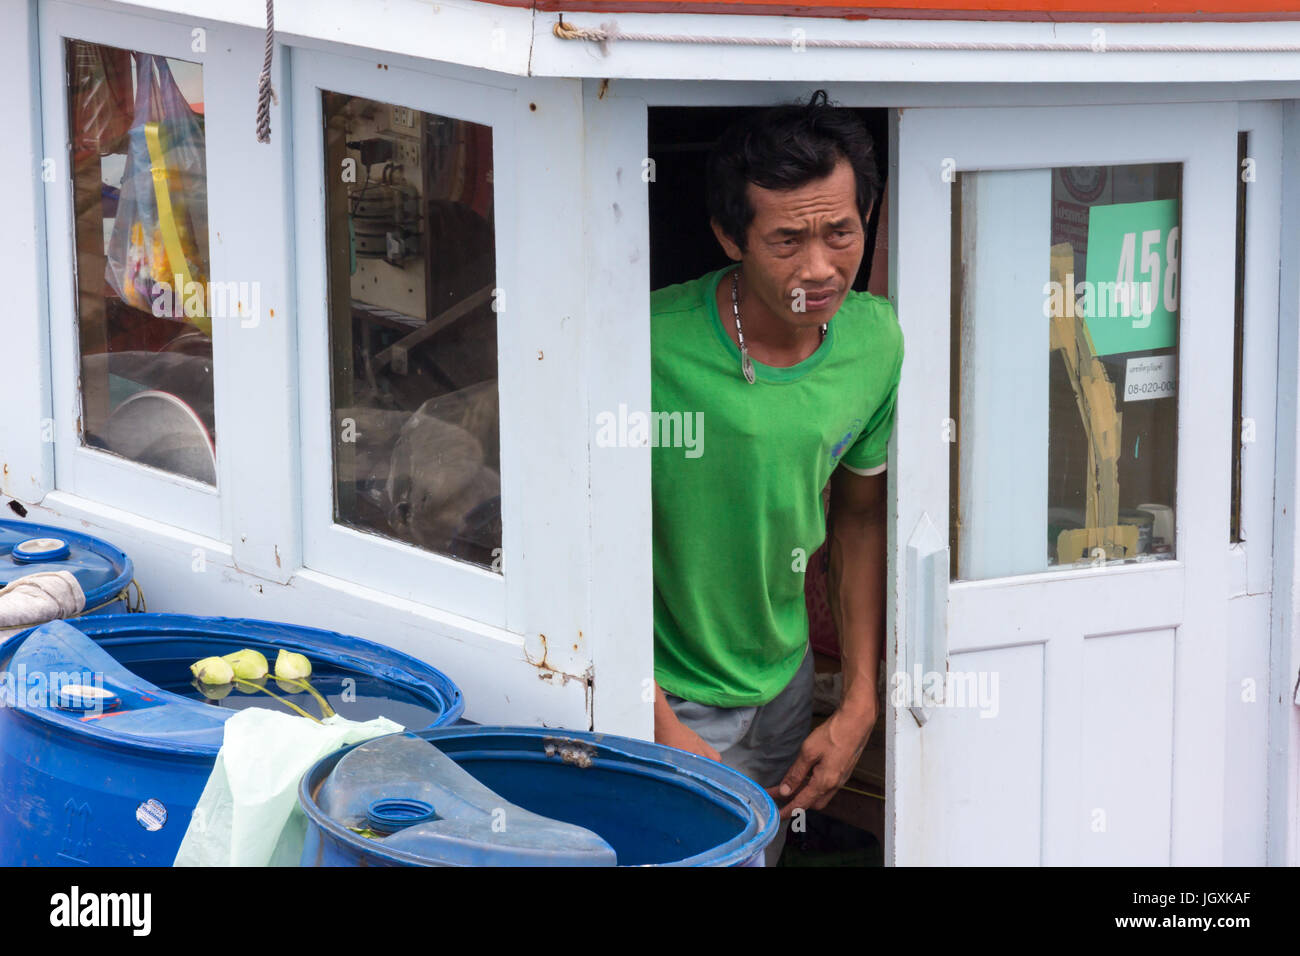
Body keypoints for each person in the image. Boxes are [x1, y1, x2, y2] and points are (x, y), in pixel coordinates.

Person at [649, 90, 903, 866]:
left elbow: (860, 516)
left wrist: (858, 699)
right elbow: (567, 539)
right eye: (788, 239)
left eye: (841, 231)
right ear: (731, 235)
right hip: (665, 691)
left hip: (786, 692)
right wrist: (658, 727)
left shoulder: (875, 342)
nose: (820, 267)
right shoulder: (643, 348)